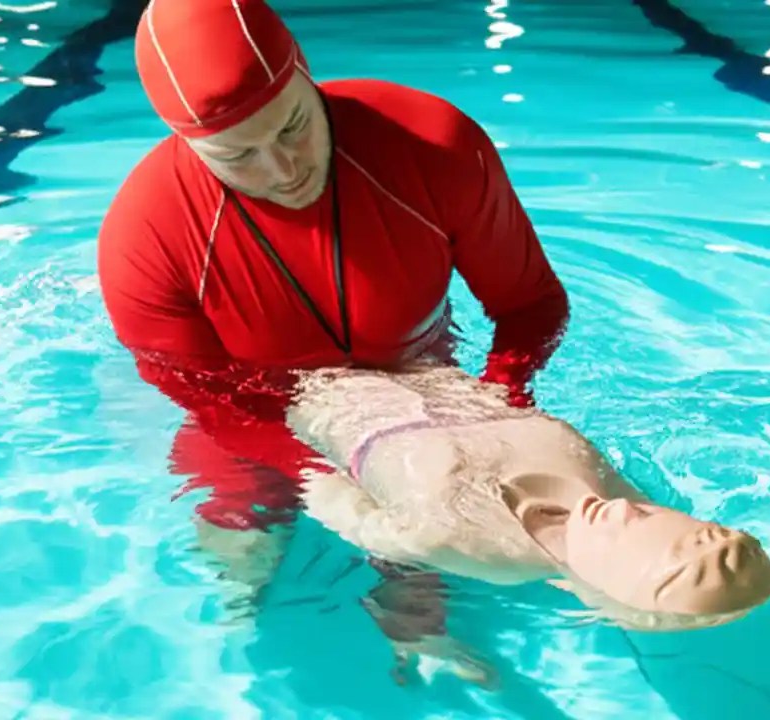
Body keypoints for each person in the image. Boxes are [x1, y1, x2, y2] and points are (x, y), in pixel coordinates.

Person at [95, 0, 569, 647]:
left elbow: (531, 306)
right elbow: (204, 393)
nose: (283, 171)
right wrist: (324, 480)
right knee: (239, 553)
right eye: (239, 156)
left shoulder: (432, 146)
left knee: (448, 535)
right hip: (261, 406)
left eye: (292, 127)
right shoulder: (146, 236)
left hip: (420, 375)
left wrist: (501, 400)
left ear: (306, 73)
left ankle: (419, 622)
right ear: (191, 146)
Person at [286, 361, 770, 643]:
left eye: (630, 525)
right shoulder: (612, 492)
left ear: (589, 590)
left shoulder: (462, 541)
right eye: (645, 512)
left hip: (322, 378)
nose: (626, 508)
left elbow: (323, 491)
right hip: (402, 362)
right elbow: (324, 493)